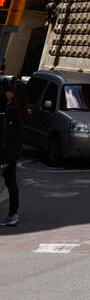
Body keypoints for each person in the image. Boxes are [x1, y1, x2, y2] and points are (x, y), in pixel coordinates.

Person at [0, 78, 27, 227]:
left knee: (10, 183)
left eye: (8, 90)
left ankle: (13, 214)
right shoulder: (19, 108)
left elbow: (8, 135)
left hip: (9, 153)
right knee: (10, 183)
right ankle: (12, 213)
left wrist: (5, 159)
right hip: (13, 153)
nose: (6, 93)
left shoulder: (12, 109)